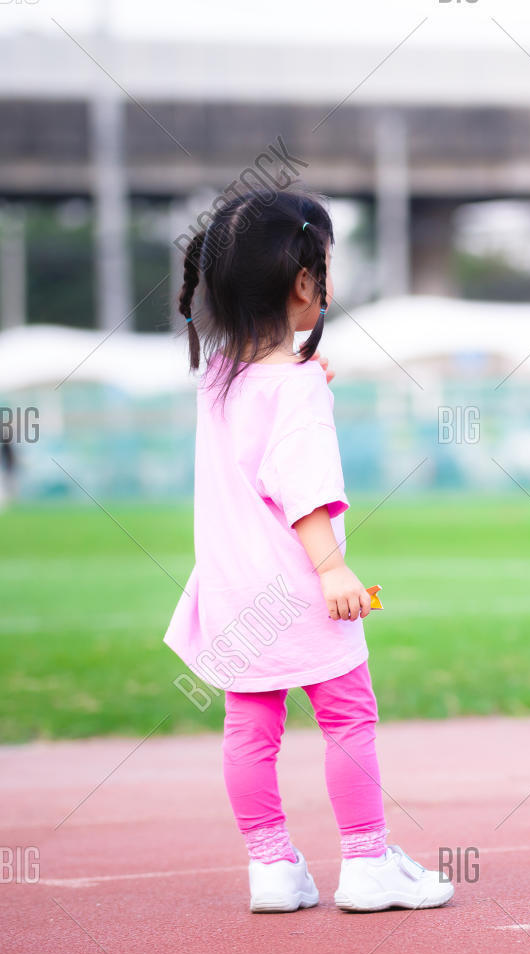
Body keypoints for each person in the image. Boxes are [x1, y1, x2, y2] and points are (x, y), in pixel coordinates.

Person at [164, 189, 452, 914]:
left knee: (249, 731)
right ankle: (365, 863)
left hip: (233, 594)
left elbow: (257, 433)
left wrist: (300, 378)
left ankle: (271, 867)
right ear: (304, 283)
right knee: (348, 717)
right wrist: (334, 568)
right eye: (325, 266)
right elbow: (302, 488)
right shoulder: (295, 391)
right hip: (301, 591)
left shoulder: (215, 380)